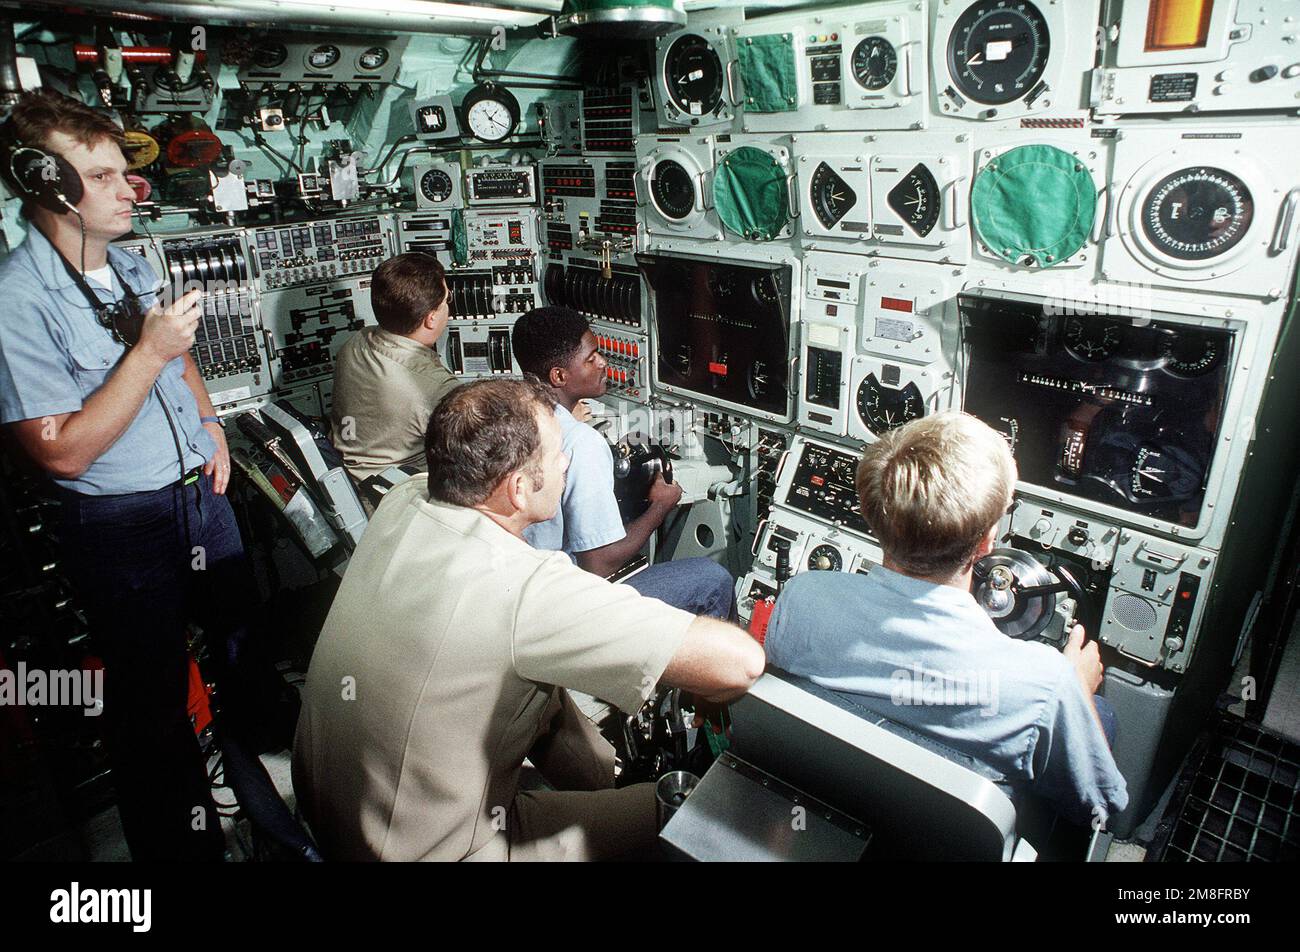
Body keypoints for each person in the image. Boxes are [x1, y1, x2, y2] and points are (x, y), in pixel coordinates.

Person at [292, 377, 765, 860]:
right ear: (518, 489)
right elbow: (740, 664)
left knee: (543, 699)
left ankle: (605, 777)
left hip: (332, 818)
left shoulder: (403, 501)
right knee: (680, 804)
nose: (565, 463)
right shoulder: (527, 588)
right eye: (559, 452)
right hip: (437, 850)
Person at [0, 90, 270, 860]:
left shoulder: (126, 263)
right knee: (150, 710)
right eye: (107, 175)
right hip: (121, 525)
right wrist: (147, 353)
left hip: (200, 495)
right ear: (47, 186)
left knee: (245, 652)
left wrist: (211, 425)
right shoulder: (14, 301)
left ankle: (271, 797)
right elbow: (62, 451)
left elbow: (177, 352)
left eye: (127, 172)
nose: (131, 189)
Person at [764, 411, 1128, 825]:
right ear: (988, 541)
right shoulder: (1044, 685)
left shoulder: (802, 596)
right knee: (1105, 715)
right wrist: (1076, 694)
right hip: (949, 836)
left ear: (870, 516)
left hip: (829, 810)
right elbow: (1099, 804)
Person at [510, 306, 734, 619]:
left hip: (524, 588)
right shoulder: (580, 443)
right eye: (591, 358)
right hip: (567, 604)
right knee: (712, 578)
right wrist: (661, 506)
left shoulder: (511, 413)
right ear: (559, 376)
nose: (603, 363)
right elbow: (600, 564)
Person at [329, 252, 459, 482]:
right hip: (403, 497)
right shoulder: (436, 388)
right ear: (431, 319)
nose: (448, 308)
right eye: (447, 300)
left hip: (354, 482)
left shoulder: (354, 344)